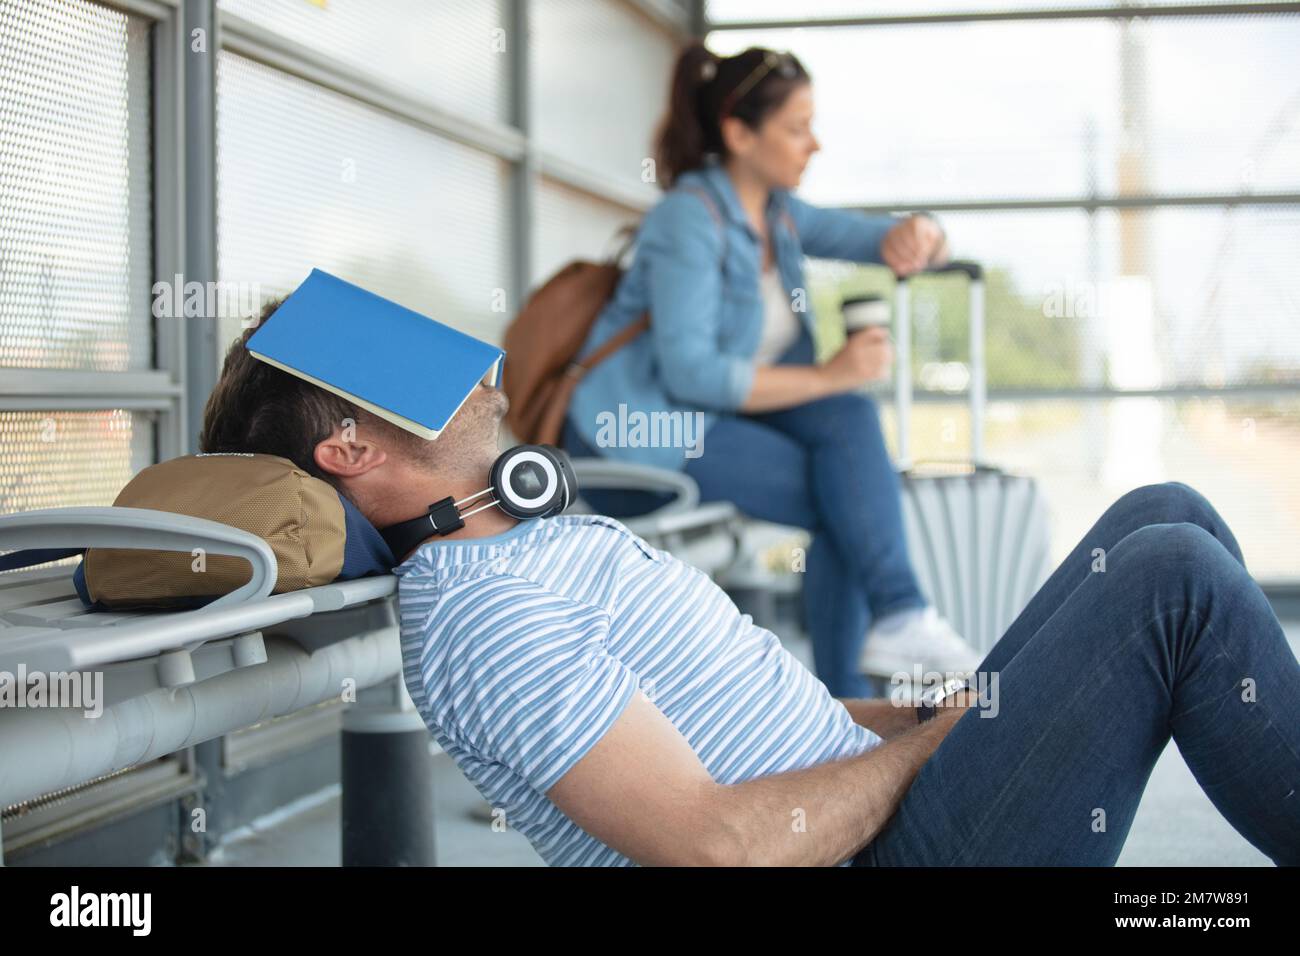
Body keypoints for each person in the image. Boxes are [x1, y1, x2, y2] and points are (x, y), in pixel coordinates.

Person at [200, 305, 1300, 866]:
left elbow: (763, 718)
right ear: (347, 447)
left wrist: (916, 716)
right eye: (397, 366)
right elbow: (715, 844)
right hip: (877, 854)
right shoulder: (479, 609)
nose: (470, 363)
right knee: (1170, 578)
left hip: (886, 806)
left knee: (1159, 515)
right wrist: (925, 745)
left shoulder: (527, 548)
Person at [560, 43, 977, 697]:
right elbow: (692, 373)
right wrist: (830, 373)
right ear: (738, 133)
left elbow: (875, 237)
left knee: (849, 422)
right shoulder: (686, 221)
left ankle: (895, 626)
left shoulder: (780, 214)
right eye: (797, 127)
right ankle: (854, 695)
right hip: (636, 431)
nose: (814, 144)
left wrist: (924, 233)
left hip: (712, 420)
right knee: (845, 497)